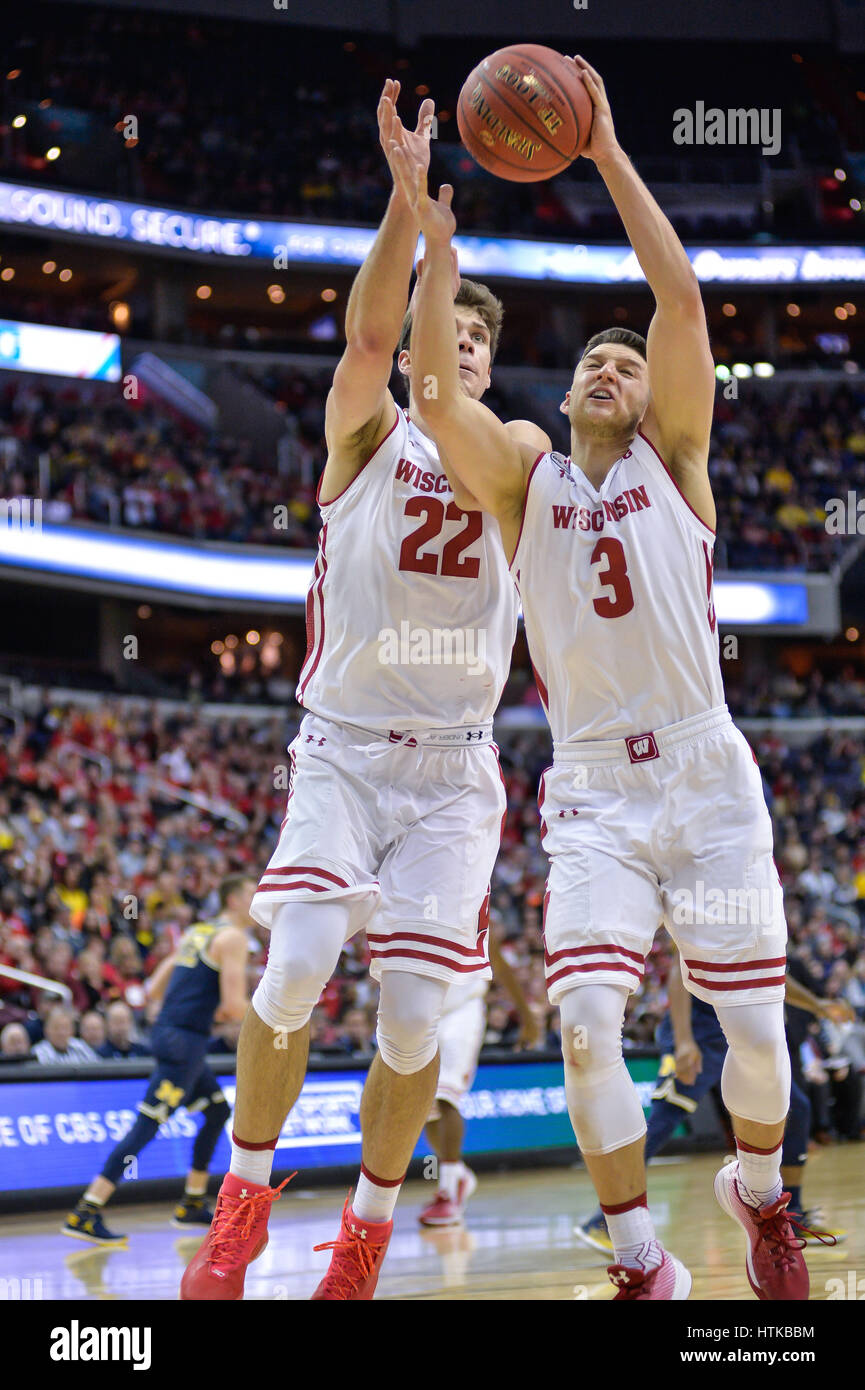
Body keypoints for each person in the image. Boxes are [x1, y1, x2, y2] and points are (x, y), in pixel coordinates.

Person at [393, 54, 810, 1301]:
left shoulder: (674, 462)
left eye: (625, 366)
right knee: (583, 1025)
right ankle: (643, 1260)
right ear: (568, 388)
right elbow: (425, 390)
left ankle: (761, 1193)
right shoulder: (524, 489)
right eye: (595, 361)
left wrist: (608, 151)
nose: (610, 368)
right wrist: (431, 240)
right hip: (589, 797)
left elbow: (678, 301)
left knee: (753, 1037)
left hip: (703, 766)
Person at [180, 80, 549, 1302]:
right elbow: (373, 343)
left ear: (490, 368)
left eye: (479, 346)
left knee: (408, 1029)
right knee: (289, 968)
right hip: (340, 747)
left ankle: (368, 1234)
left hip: (453, 769)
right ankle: (239, 1206)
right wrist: (405, 208)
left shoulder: (519, 462)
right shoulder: (366, 434)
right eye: (446, 337)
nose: (456, 354)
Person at [575, 948, 848, 1253]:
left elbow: (772, 974)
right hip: (698, 1033)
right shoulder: (709, 908)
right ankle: (604, 1220)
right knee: (662, 1122)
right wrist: (683, 1041)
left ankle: (791, 1214)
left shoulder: (754, 916)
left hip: (731, 1030)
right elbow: (679, 972)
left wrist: (818, 1005)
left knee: (795, 1108)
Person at [61, 876, 257, 1245]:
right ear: (233, 899)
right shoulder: (232, 938)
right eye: (252, 892)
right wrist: (278, 1018)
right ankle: (86, 1212)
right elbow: (234, 1007)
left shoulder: (199, 931)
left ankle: (191, 1204)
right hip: (184, 1043)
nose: (258, 898)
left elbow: (153, 989)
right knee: (147, 1126)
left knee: (216, 1112)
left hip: (178, 1037)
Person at [420, 921, 538, 1226]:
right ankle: (456, 1174)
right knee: (425, 1107)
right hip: (426, 1011)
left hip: (463, 1010)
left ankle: (447, 1190)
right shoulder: (419, 898)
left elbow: (499, 966)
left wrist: (527, 1017)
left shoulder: (476, 907)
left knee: (446, 1098)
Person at [33, 1005, 99, 1065]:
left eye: (65, 1027)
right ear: (46, 1030)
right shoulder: (38, 1053)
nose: (61, 1033)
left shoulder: (81, 1047)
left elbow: (98, 1068)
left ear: (72, 1030)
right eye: (56, 1028)